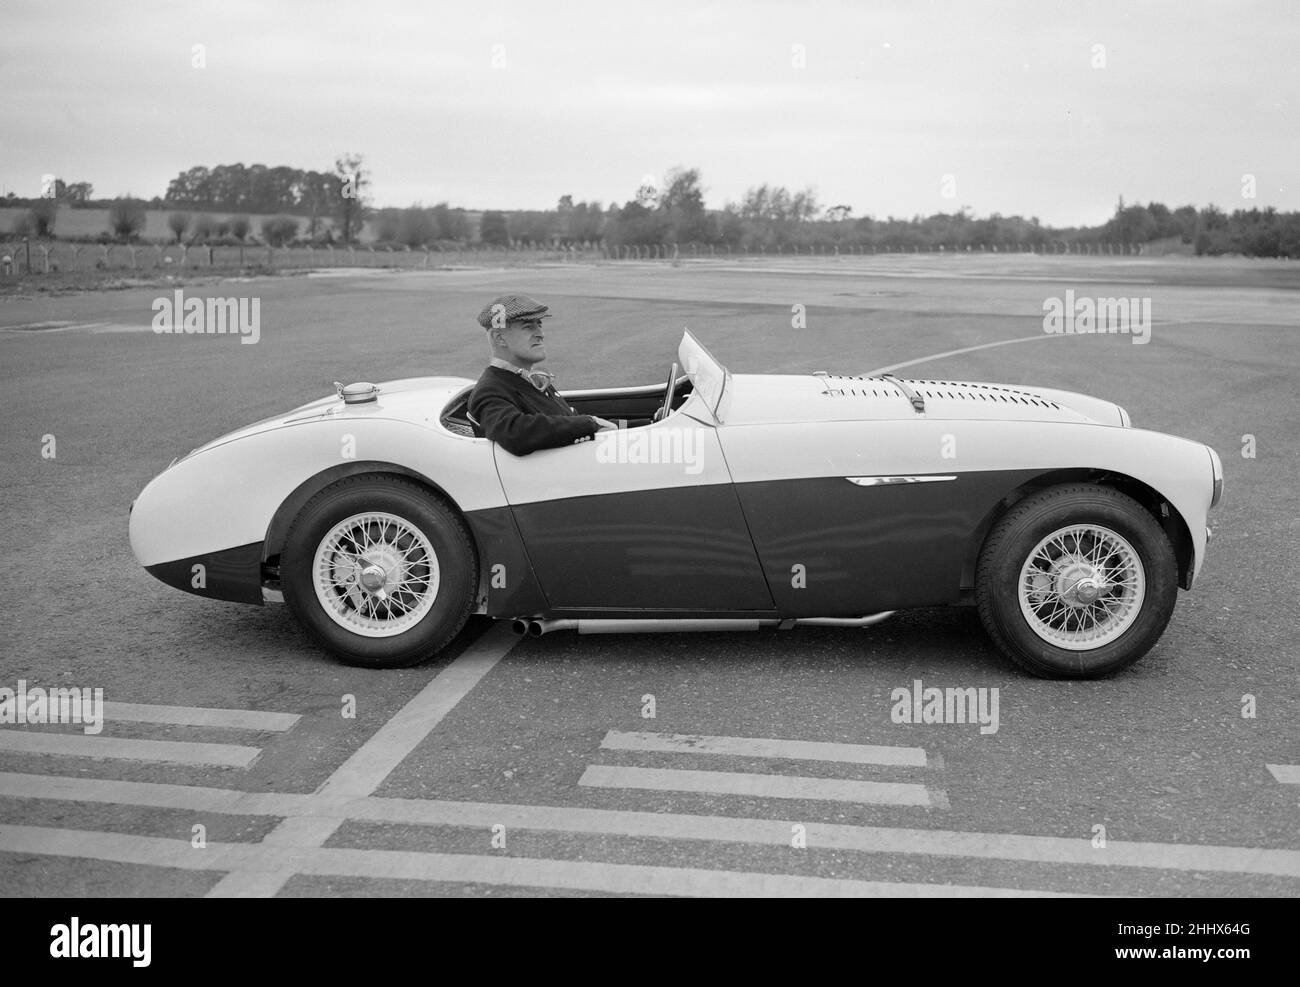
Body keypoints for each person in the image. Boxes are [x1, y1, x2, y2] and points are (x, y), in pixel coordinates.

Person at [467, 293, 617, 456]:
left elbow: (567, 419)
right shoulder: (490, 390)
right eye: (528, 326)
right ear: (500, 338)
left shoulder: (527, 379)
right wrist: (588, 424)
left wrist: (643, 425)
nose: (540, 334)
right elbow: (515, 433)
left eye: (539, 324)